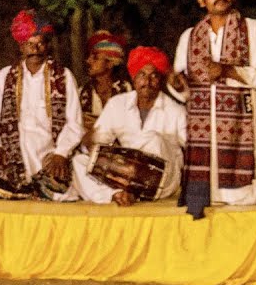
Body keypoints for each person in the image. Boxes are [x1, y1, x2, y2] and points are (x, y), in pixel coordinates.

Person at [167, 0, 256, 219]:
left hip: (240, 128)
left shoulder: (252, 29)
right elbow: (186, 92)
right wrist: (177, 86)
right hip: (202, 131)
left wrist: (228, 71)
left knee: (244, 197)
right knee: (205, 196)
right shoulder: (189, 36)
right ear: (201, 1)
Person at [0, 9, 84, 201]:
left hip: (51, 155)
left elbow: (74, 123)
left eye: (40, 43)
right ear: (21, 47)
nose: (35, 50)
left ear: (47, 46)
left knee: (61, 188)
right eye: (30, 44)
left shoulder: (63, 77)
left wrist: (61, 154)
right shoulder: (4, 77)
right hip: (14, 156)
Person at [75, 46, 187, 206]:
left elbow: (192, 146)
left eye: (154, 76)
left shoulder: (176, 110)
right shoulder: (117, 104)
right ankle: (116, 195)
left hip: (163, 181)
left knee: (154, 139)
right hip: (124, 174)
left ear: (160, 80)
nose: (147, 82)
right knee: (79, 161)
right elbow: (99, 141)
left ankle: (131, 193)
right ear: (133, 78)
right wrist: (90, 142)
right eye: (142, 75)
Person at [78, 29, 134, 151]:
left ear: (110, 63)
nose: (88, 61)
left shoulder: (126, 90)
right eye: (89, 56)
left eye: (95, 57)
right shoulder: (82, 93)